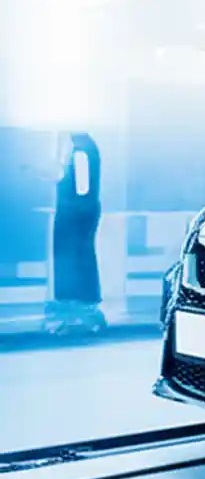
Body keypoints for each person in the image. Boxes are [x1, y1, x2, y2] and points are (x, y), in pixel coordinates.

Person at [45, 131, 105, 335]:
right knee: (79, 256)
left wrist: (57, 177)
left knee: (74, 256)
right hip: (81, 211)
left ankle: (77, 302)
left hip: (76, 212)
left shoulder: (80, 152)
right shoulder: (85, 148)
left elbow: (81, 188)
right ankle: (81, 302)